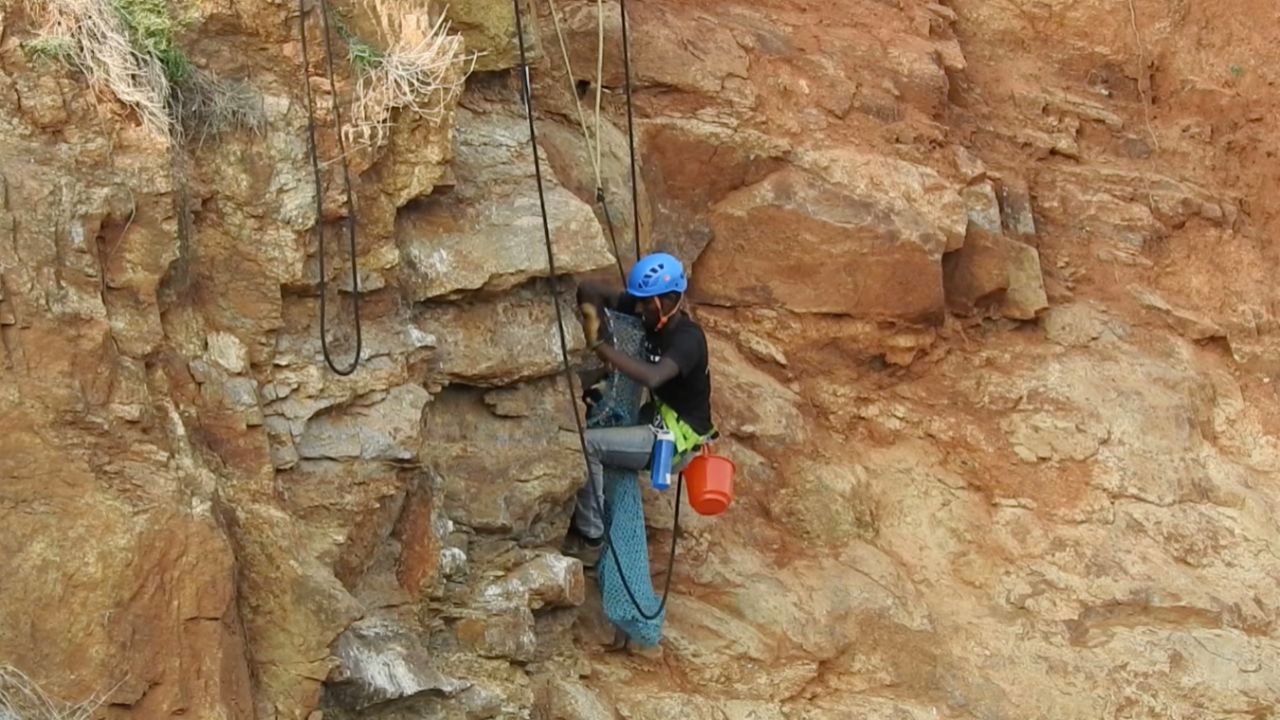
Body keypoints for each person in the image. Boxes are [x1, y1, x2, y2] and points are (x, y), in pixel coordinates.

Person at [563, 252, 716, 567]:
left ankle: (591, 538)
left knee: (588, 444)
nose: (638, 310)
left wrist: (601, 347)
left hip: (676, 441)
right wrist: (594, 320)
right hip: (656, 417)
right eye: (639, 302)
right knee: (598, 413)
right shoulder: (648, 311)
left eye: (646, 304)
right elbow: (590, 289)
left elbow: (653, 376)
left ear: (669, 301)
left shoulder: (688, 339)